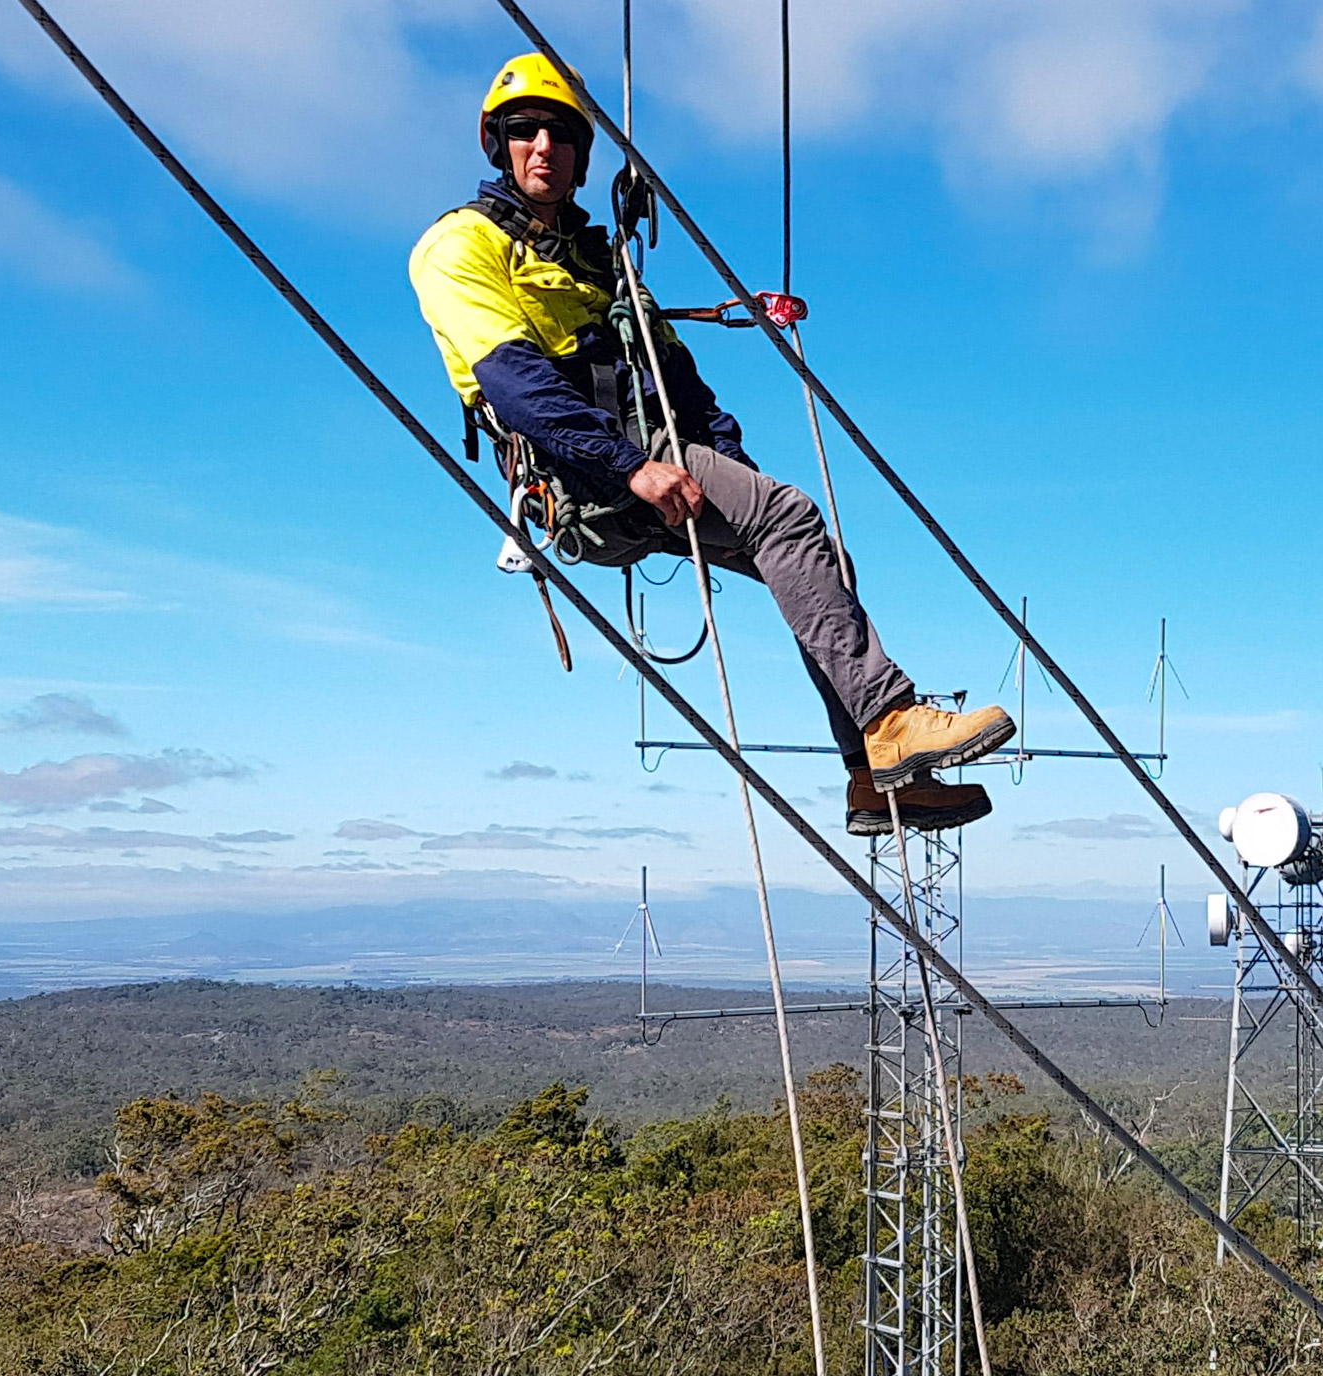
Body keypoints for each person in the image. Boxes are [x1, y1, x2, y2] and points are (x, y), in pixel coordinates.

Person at [410, 54, 1010, 836]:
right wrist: (635, 470)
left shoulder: (602, 262)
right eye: (525, 131)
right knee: (789, 522)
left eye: (560, 131)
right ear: (499, 143)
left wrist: (737, 473)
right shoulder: (461, 246)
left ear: (581, 154)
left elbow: (681, 385)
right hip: (588, 476)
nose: (544, 146)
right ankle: (890, 722)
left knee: (805, 549)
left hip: (646, 461)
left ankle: (873, 779)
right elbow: (523, 392)